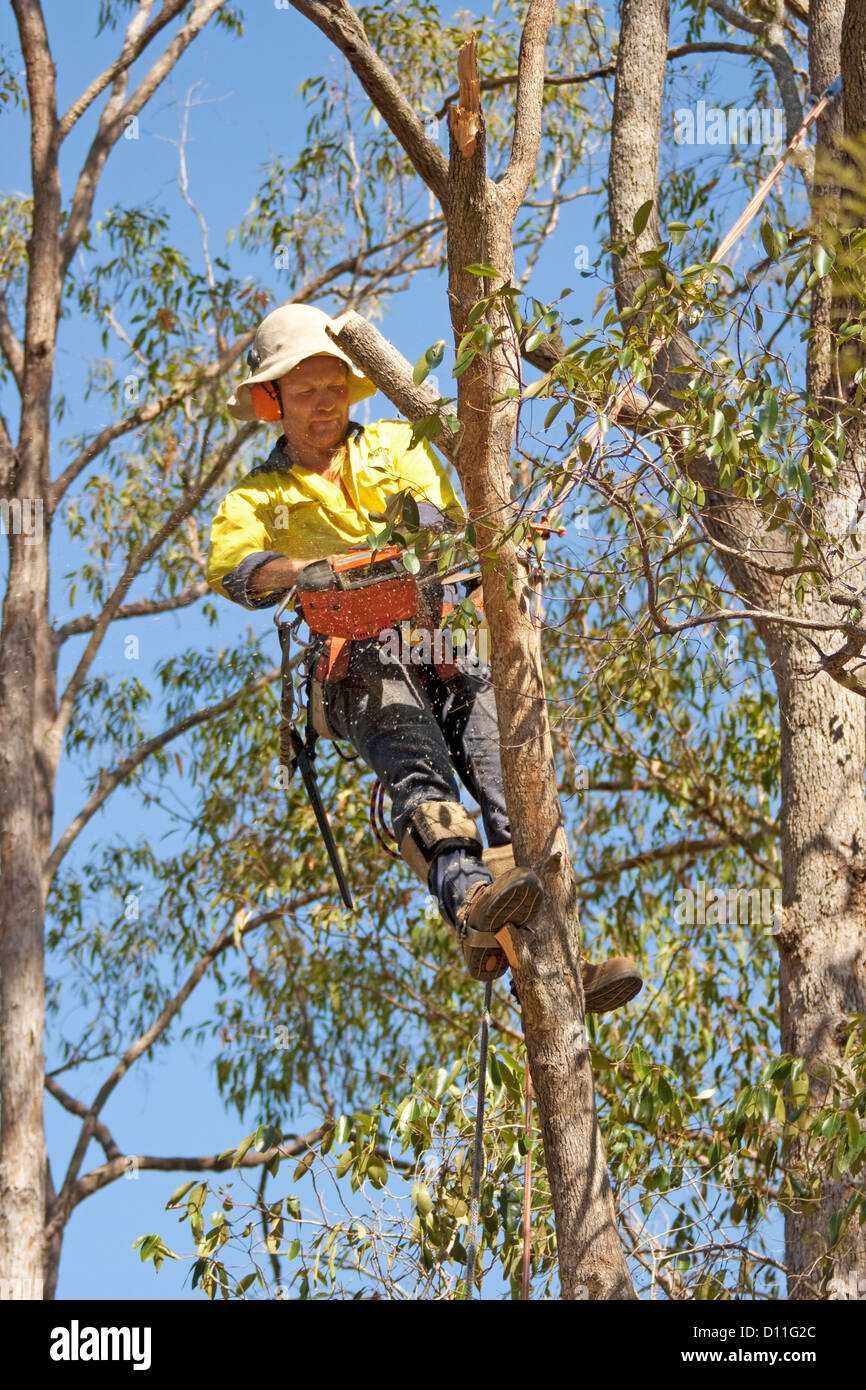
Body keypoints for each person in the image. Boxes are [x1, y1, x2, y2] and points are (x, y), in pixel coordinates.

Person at [206, 302, 642, 1009]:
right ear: (271, 399)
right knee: (417, 767)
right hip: (355, 660)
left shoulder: (394, 447)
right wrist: (303, 573)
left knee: (511, 774)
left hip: (434, 636)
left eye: (333, 386)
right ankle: (472, 904)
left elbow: (447, 530)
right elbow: (236, 570)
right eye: (306, 389)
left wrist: (440, 559)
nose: (324, 402)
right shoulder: (258, 498)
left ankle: (562, 958)